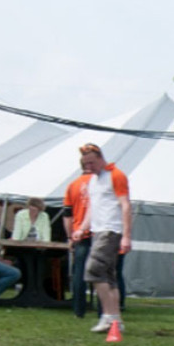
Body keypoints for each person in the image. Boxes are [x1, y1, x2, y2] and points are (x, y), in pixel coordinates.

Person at [73, 143, 131, 335]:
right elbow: (93, 207)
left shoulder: (116, 175)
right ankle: (116, 321)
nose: (88, 167)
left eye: (90, 162)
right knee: (109, 278)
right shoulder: (92, 181)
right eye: (84, 164)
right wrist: (82, 228)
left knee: (93, 271)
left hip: (111, 230)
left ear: (100, 158)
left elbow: (125, 205)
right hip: (98, 231)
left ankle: (108, 316)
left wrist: (126, 236)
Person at [63, 162, 93, 318]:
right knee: (103, 273)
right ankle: (104, 311)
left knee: (79, 273)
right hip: (99, 233)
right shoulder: (99, 184)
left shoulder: (72, 185)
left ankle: (78, 309)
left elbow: (67, 215)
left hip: (80, 234)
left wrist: (70, 236)